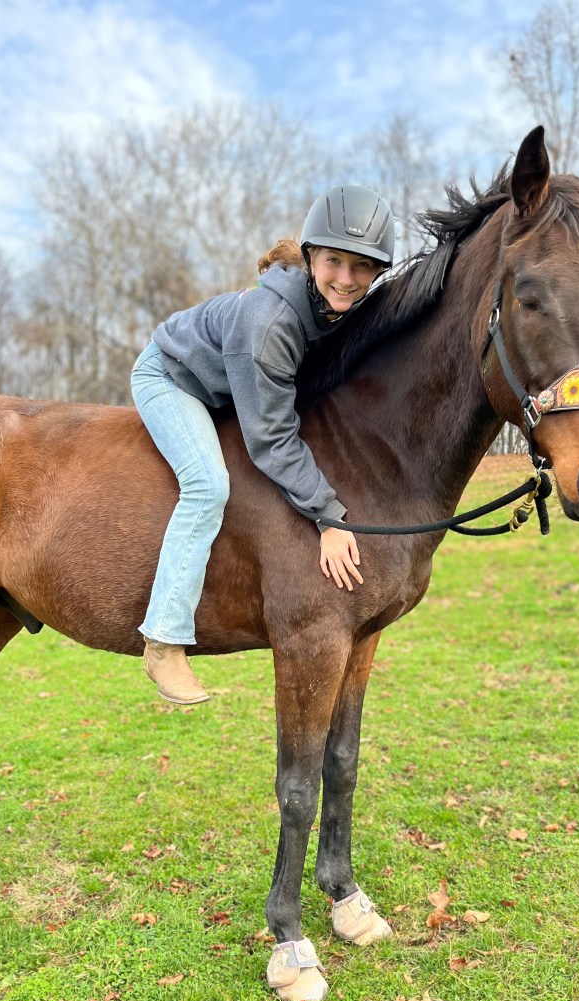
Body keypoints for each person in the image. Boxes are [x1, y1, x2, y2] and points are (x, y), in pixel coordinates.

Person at [131, 185, 395, 705]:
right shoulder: (271, 323)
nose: (346, 278)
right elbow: (271, 439)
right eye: (334, 261)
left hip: (227, 387)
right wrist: (328, 517)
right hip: (172, 377)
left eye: (362, 266)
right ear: (311, 257)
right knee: (207, 486)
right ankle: (163, 639)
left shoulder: (335, 307)